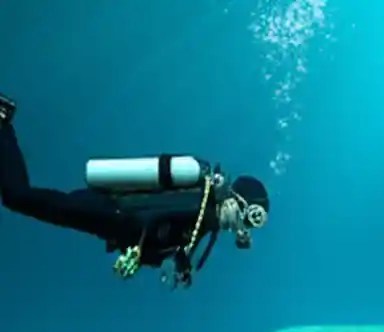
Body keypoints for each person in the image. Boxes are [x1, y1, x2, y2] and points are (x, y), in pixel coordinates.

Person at [0, 93, 269, 288]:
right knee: (19, 197)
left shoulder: (206, 219)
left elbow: (164, 235)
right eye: (248, 218)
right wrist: (155, 255)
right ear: (239, 201)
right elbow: (154, 216)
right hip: (110, 211)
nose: (241, 228)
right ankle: (3, 124)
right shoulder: (202, 201)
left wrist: (173, 262)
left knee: (26, 200)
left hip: (111, 218)